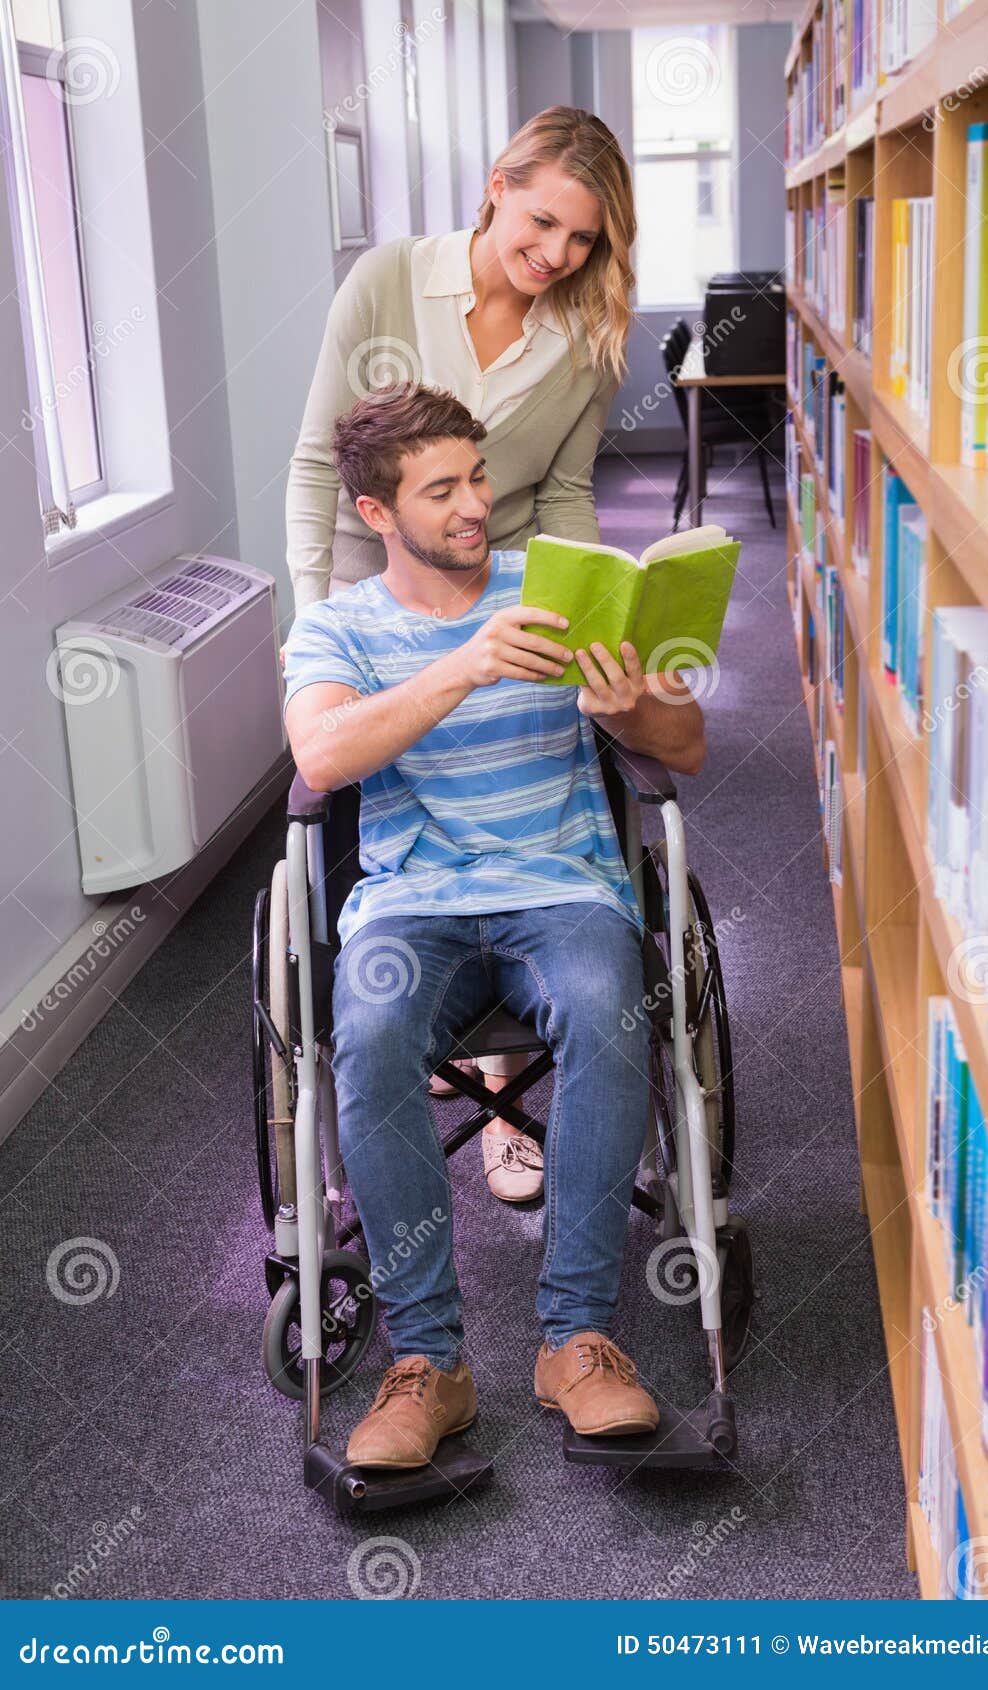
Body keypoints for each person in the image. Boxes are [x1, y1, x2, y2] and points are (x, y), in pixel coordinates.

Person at [282, 385, 706, 1470]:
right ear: (378, 513)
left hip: (559, 887)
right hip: (410, 909)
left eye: (477, 476)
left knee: (614, 1005)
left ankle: (575, 1339)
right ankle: (429, 1363)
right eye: (442, 489)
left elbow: (686, 743)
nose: (475, 503)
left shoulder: (556, 589)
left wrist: (625, 707)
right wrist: (462, 665)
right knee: (367, 1037)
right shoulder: (336, 626)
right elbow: (321, 759)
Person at [284, 106, 637, 1200]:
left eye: (582, 241)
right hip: (372, 587)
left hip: (506, 589)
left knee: (517, 796)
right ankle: (428, 1008)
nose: (557, 257)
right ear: (496, 186)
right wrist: (318, 628)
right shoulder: (388, 282)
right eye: (542, 223)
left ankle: (500, 1087)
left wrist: (589, 610)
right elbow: (311, 465)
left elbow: (565, 493)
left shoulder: (583, 337)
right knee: (372, 817)